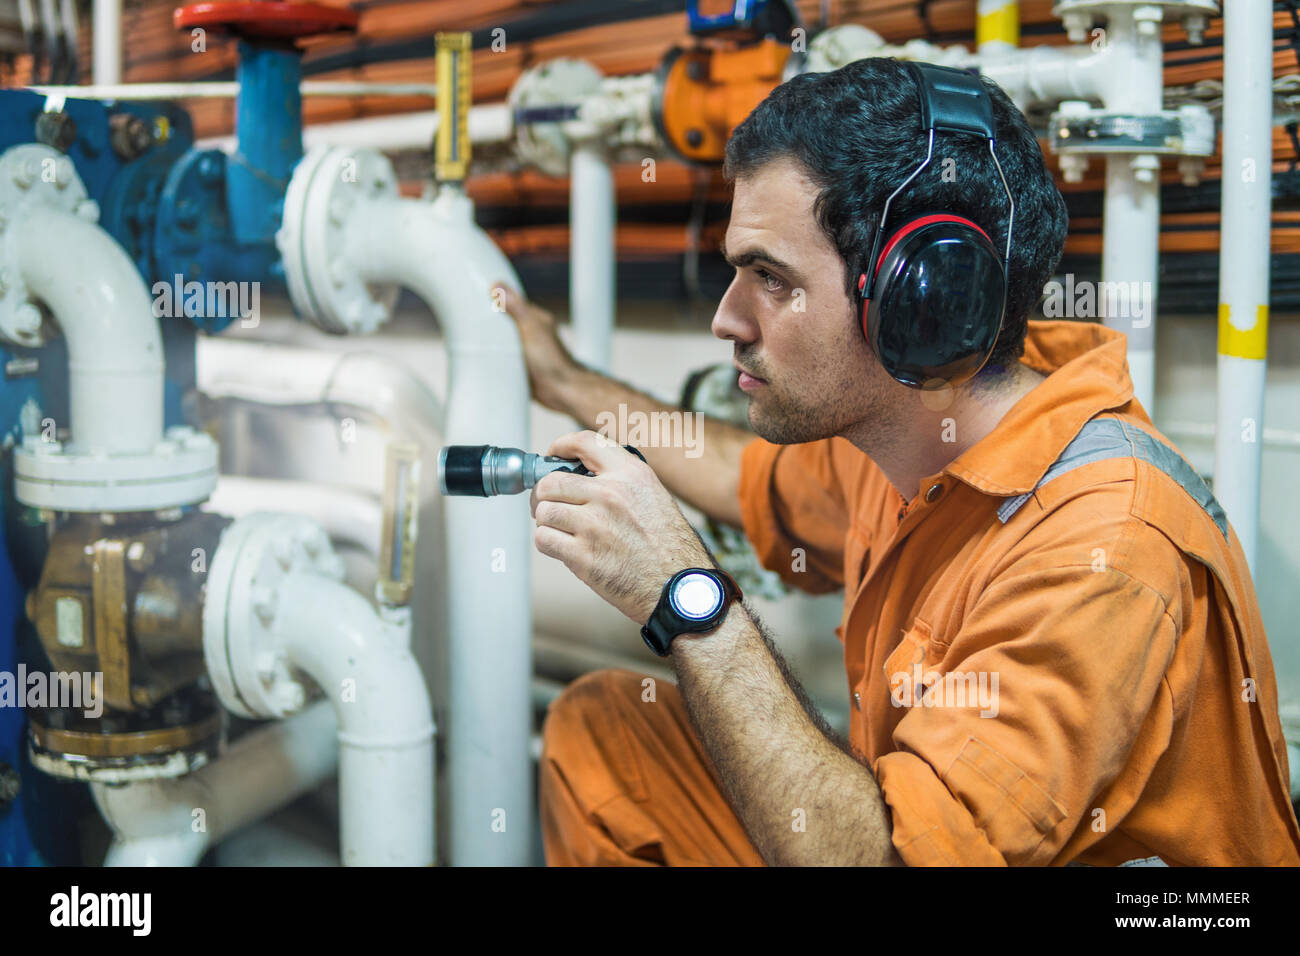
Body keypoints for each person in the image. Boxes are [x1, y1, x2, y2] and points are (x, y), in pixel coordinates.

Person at [493, 57, 1300, 866]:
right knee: (611, 735)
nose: (725, 319)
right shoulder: (909, 437)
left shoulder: (1105, 551)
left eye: (770, 279)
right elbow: (746, 482)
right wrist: (563, 380)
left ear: (921, 296)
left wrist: (686, 598)